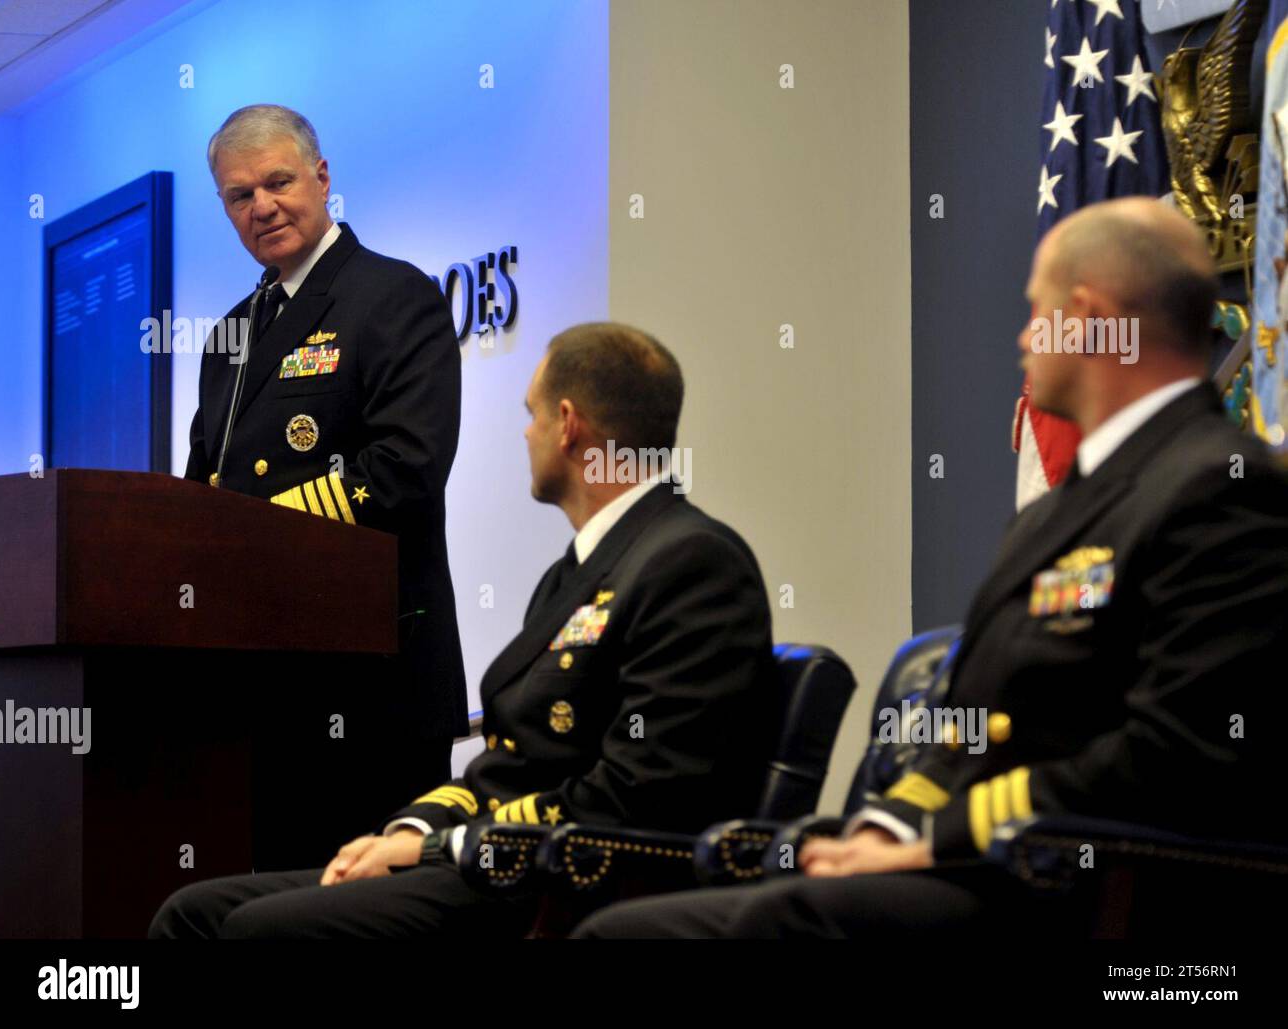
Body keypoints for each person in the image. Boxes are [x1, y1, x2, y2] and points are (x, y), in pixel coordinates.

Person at [574, 197, 1288, 937]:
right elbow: (971, 723)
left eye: (1034, 311)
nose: (1022, 337)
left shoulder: (1222, 488)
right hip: (986, 872)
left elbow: (1180, 754)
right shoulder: (1053, 515)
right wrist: (884, 826)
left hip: (1091, 898)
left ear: (1083, 313)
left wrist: (936, 840)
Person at [151, 322, 777, 938]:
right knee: (193, 913)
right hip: (497, 859)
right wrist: (411, 830)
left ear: (568, 424)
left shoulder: (692, 562)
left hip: (557, 883)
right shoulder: (585, 567)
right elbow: (514, 759)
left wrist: (440, 848)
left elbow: (637, 796)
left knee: (258, 929)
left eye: (531, 415)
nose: (525, 432)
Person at [183, 105, 467, 865]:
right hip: (260, 686)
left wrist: (262, 527)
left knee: (357, 911)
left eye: (278, 181)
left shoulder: (393, 297)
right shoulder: (231, 336)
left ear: (322, 177)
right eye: (240, 196)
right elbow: (200, 494)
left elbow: (407, 467)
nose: (263, 206)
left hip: (374, 679)